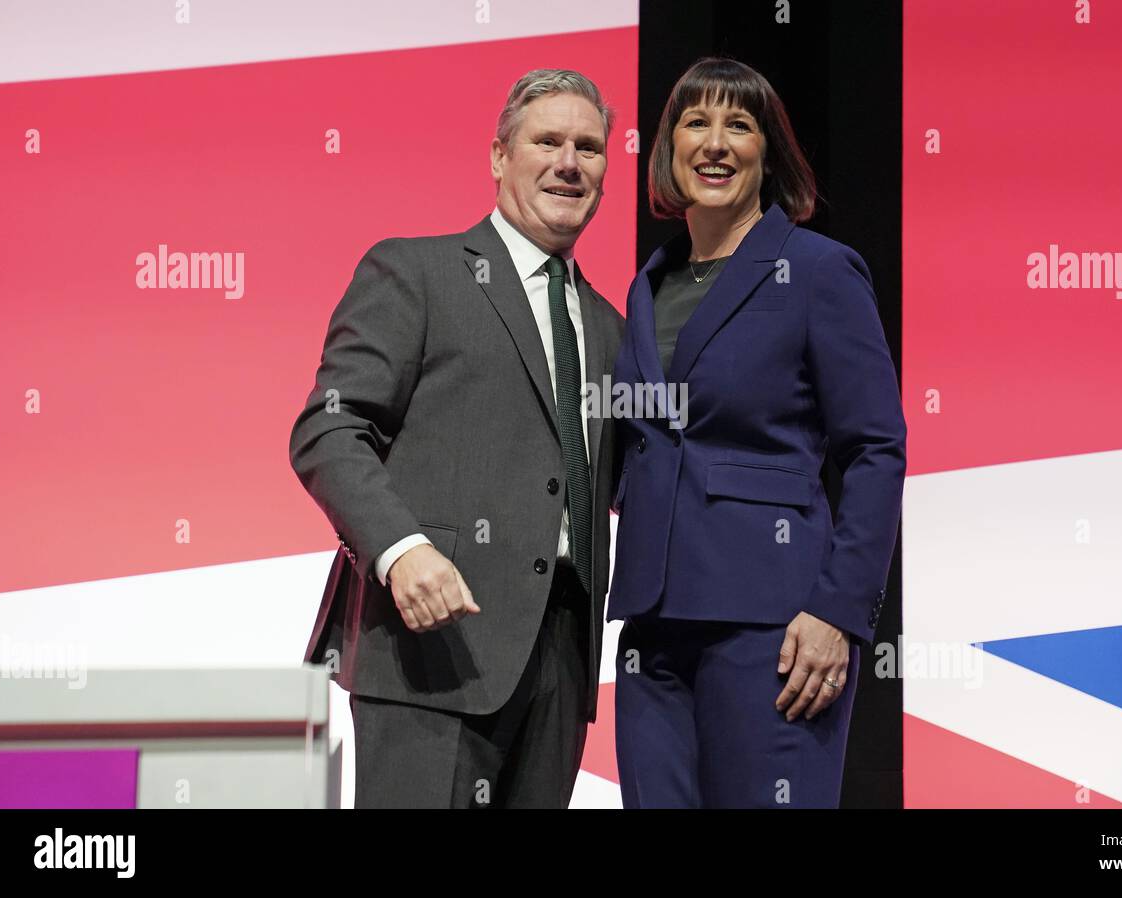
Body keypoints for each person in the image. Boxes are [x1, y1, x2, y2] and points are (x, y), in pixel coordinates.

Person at [289, 69, 625, 808]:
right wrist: (401, 552)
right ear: (499, 157)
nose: (570, 162)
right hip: (429, 654)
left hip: (560, 670)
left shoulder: (608, 327)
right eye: (547, 141)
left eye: (590, 147)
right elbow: (329, 427)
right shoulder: (417, 271)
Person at [607, 57, 907, 808]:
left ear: (767, 151)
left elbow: (876, 450)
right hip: (653, 629)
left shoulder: (817, 271)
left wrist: (839, 611)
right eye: (695, 122)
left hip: (774, 628)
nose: (714, 143)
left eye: (738, 125)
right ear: (668, 148)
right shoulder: (649, 283)